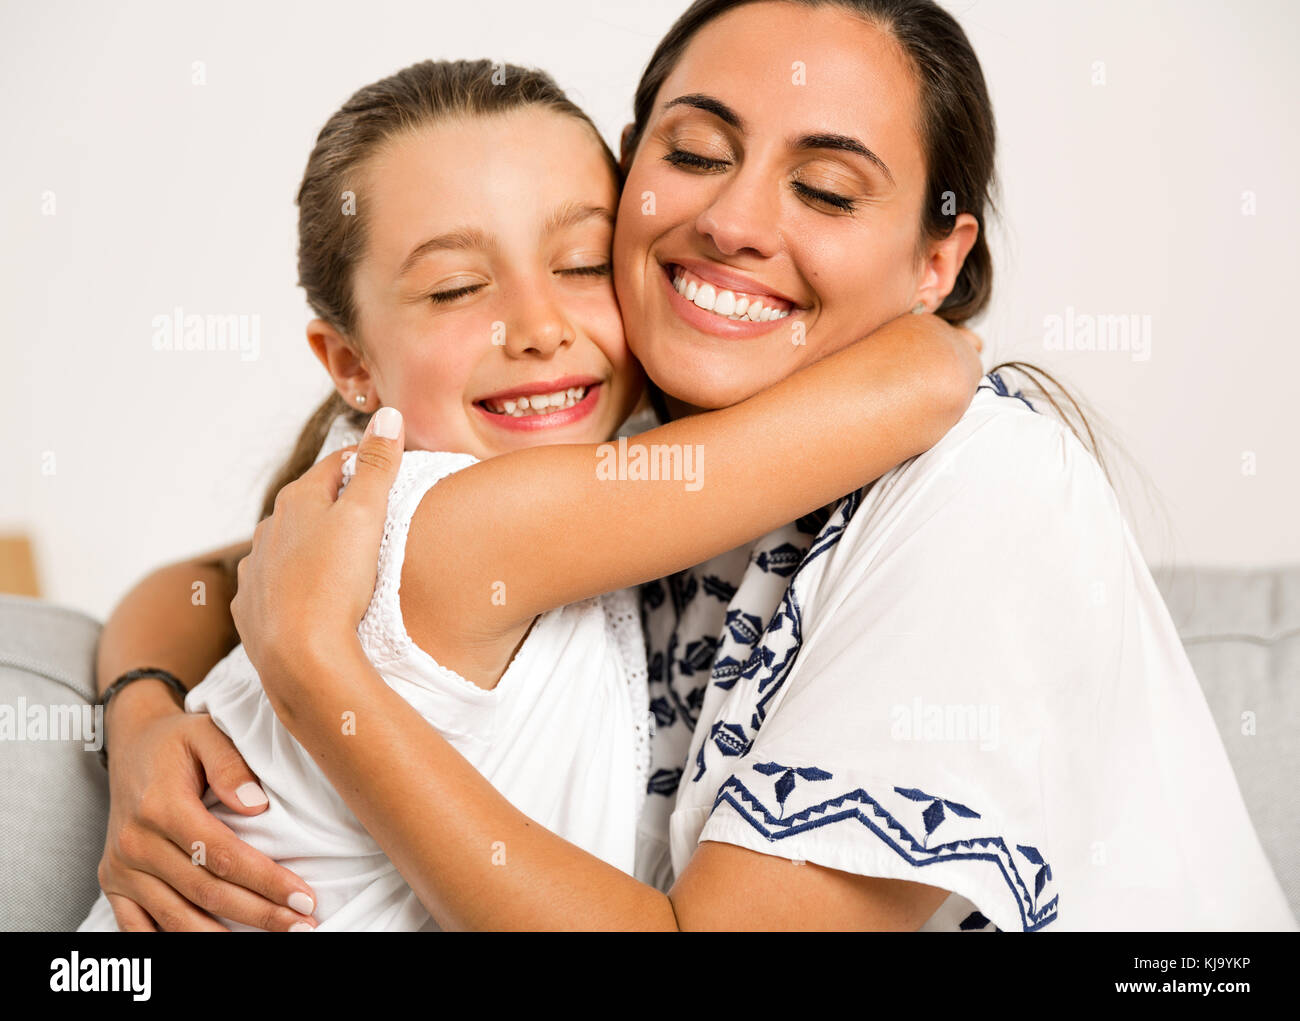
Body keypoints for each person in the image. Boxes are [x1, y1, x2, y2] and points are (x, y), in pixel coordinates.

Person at [93, 0, 1296, 931]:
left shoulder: (980, 489)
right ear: (629, 177)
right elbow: (240, 574)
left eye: (825, 187)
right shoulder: (614, 445)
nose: (732, 221)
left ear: (941, 260)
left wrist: (313, 672)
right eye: (697, 151)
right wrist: (145, 712)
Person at [85, 52, 979, 932]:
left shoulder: (357, 522)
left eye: (584, 263)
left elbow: (207, 579)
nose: (540, 326)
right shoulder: (446, 523)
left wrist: (140, 704)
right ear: (351, 363)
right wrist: (930, 328)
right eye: (456, 287)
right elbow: (916, 385)